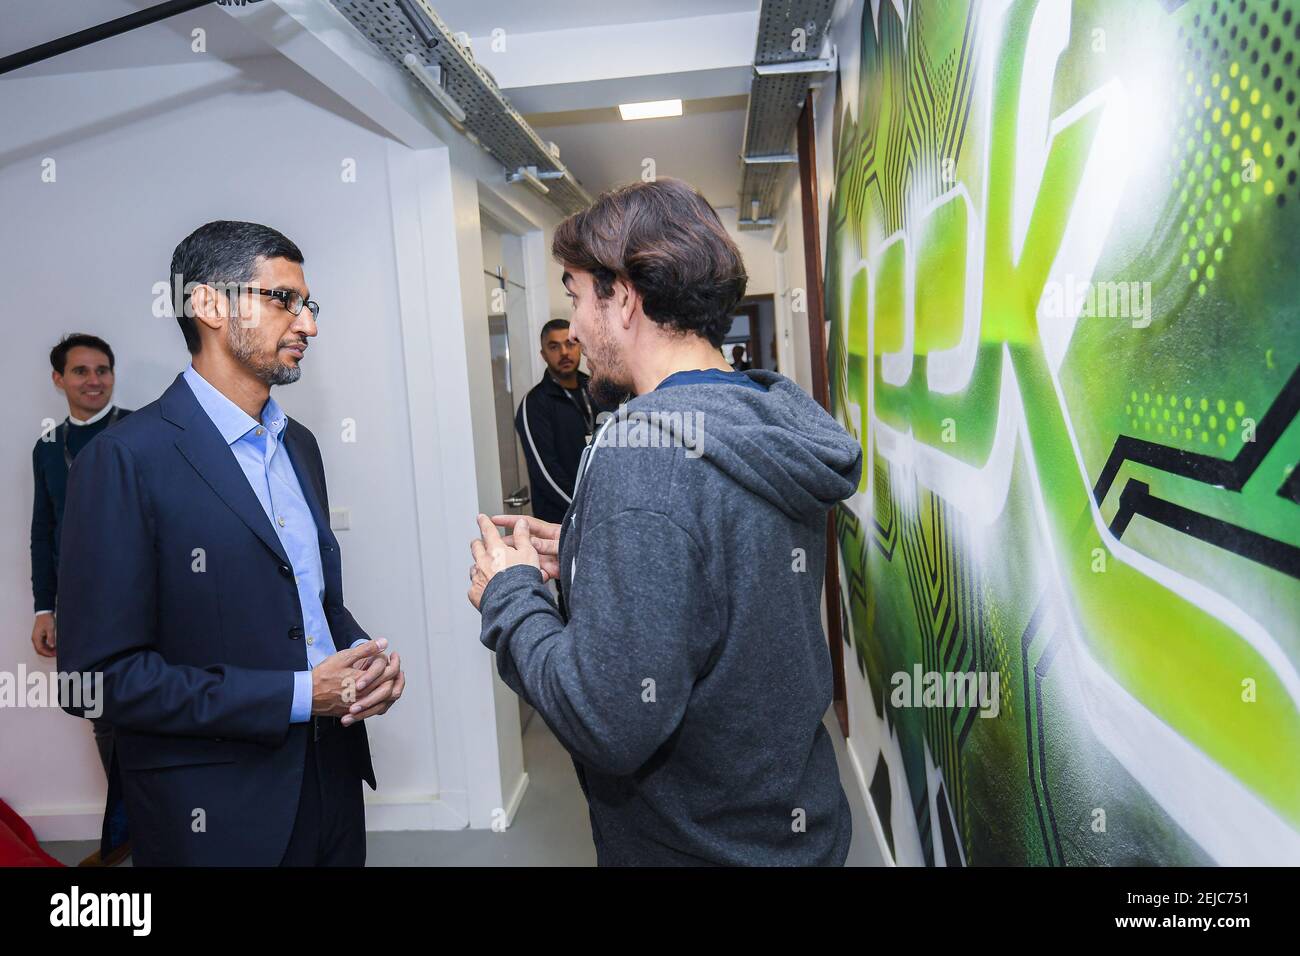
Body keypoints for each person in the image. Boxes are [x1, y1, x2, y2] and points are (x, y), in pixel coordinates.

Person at [467, 178, 863, 866]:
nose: (577, 328)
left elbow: (607, 721)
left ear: (622, 297)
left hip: (700, 847)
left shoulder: (645, 457)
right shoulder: (754, 419)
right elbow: (721, 566)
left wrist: (511, 596)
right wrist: (593, 551)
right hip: (794, 827)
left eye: (575, 295)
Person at [57, 220, 404, 866]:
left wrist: (360, 656)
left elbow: (312, 602)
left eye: (310, 305)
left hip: (331, 783)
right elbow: (94, 682)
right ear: (210, 305)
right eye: (284, 300)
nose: (309, 324)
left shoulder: (299, 445)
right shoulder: (124, 461)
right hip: (216, 814)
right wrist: (299, 695)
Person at [30, 333, 133, 866]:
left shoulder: (142, 430)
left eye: (103, 369)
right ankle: (126, 831)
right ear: (59, 379)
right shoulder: (48, 447)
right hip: (79, 605)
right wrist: (43, 609)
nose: (94, 380)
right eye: (81, 371)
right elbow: (42, 531)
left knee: (155, 707)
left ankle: (168, 825)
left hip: (142, 600)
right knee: (101, 713)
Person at [514, 318, 598, 525]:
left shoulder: (599, 390)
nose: (564, 353)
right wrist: (582, 511)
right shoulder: (534, 404)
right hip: (560, 526)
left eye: (570, 344)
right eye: (554, 346)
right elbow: (546, 474)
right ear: (543, 355)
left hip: (600, 517)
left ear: (580, 346)